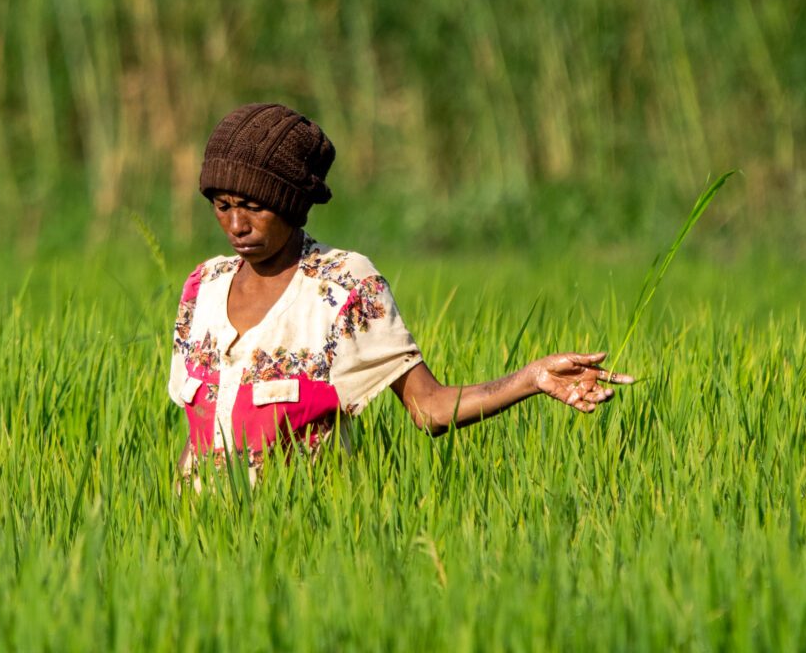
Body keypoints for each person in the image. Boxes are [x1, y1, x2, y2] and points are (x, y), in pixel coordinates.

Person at [169, 103, 631, 473]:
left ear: (291, 204)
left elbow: (429, 408)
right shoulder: (203, 287)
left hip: (296, 538)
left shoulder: (343, 287)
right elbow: (197, 442)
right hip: (202, 546)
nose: (235, 224)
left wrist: (529, 379)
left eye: (253, 207)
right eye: (222, 205)